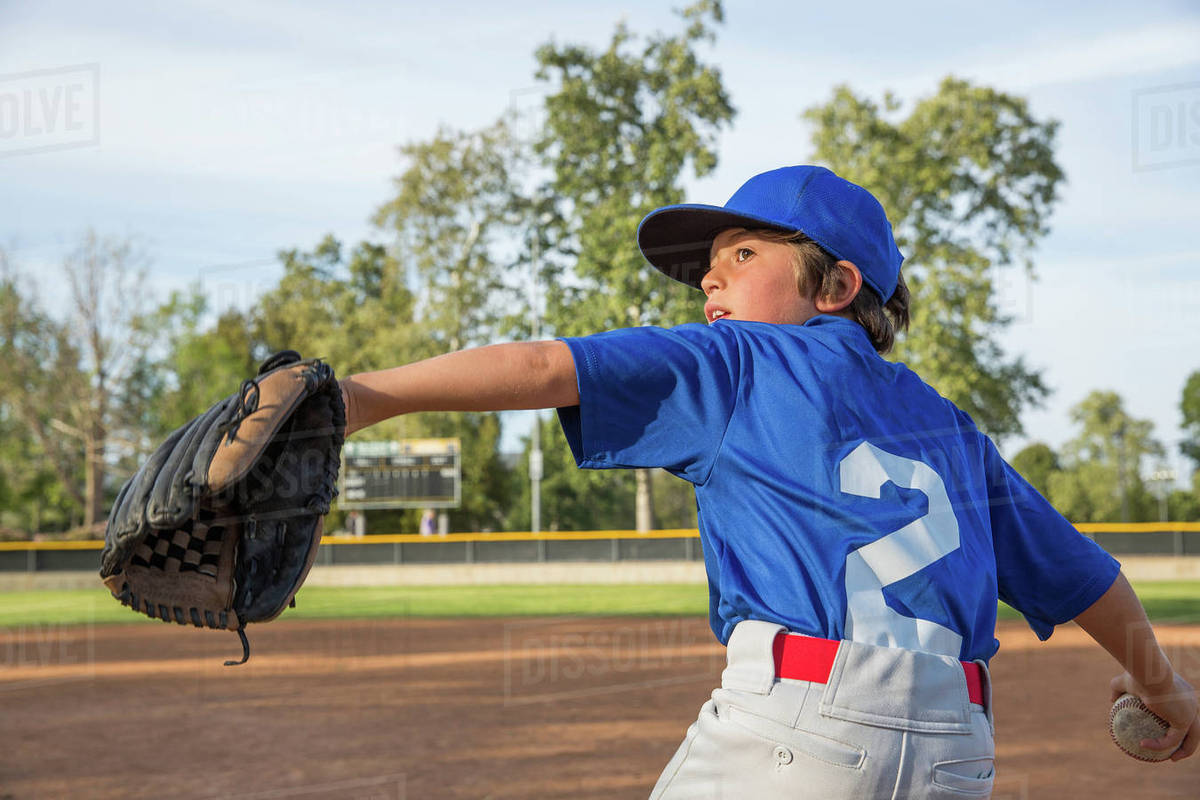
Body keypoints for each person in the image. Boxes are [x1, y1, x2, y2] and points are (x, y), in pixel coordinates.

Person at [338, 165, 1198, 797]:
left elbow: (540, 365)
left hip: (795, 734)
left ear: (836, 286)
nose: (709, 277)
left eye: (741, 252)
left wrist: (353, 400)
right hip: (957, 749)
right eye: (709, 264)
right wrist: (1163, 687)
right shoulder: (949, 426)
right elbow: (1088, 576)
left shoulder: (738, 358)